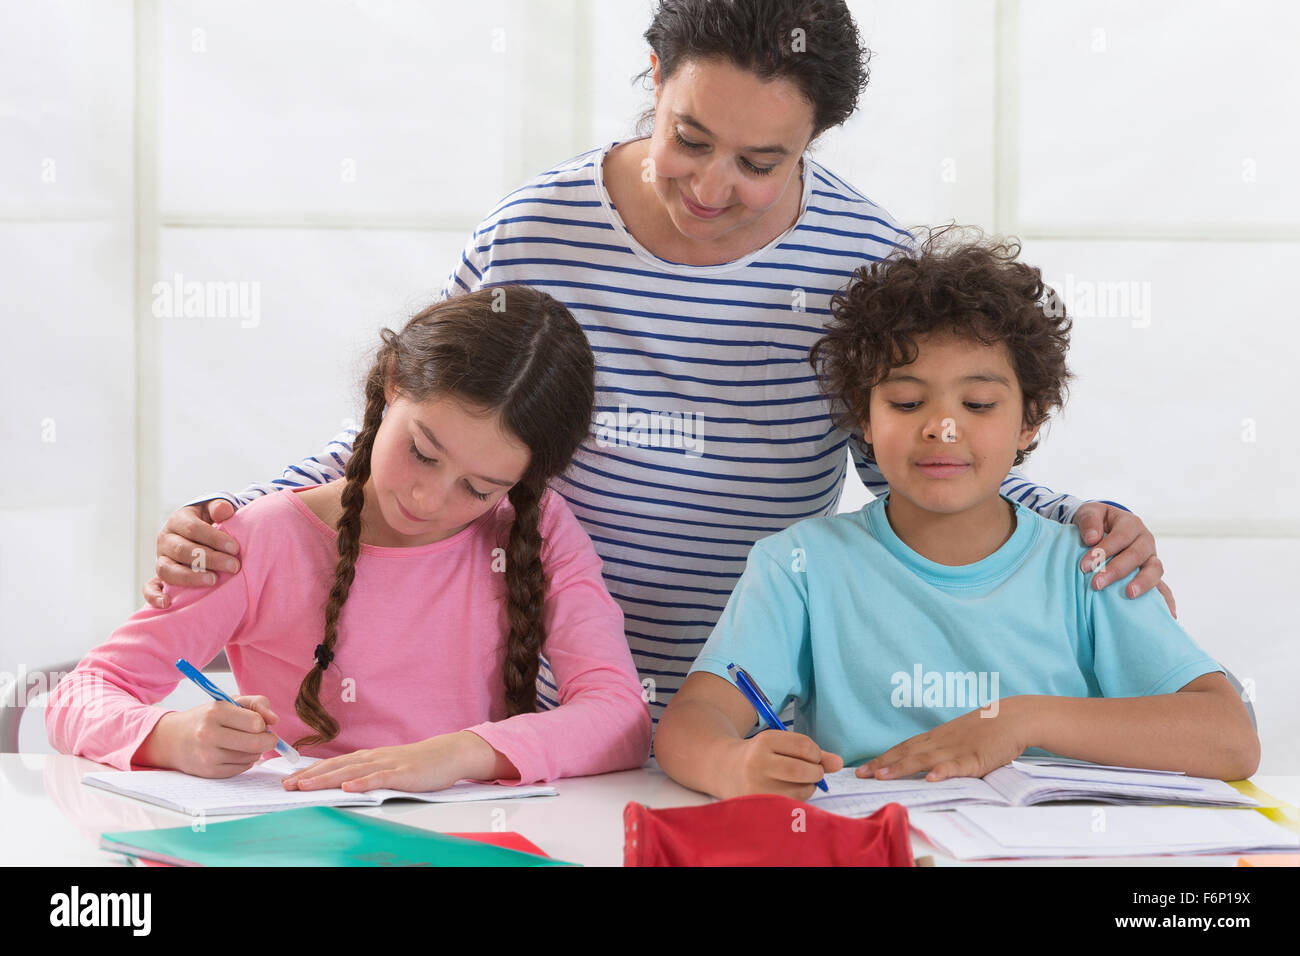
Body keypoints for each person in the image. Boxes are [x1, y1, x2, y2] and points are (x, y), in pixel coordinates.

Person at [141, 0, 1174, 723]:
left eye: (760, 162)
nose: (713, 186)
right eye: (690, 137)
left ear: (815, 139)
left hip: (749, 696)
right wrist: (238, 511)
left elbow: (909, 457)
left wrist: (1071, 520)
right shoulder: (533, 231)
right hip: (528, 688)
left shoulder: (861, 259)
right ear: (653, 81)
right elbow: (428, 418)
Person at [653, 229, 1259, 799]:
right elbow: (690, 723)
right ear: (864, 417)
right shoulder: (800, 566)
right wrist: (734, 764)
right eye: (907, 400)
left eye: (977, 402)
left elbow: (1229, 737)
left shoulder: (1091, 565)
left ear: (1030, 420)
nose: (942, 427)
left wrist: (1021, 720)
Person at [47, 287, 652, 791]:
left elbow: (621, 718)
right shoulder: (261, 539)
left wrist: (458, 754)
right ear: (391, 385)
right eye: (421, 452)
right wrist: (173, 737)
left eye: (479, 488)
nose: (428, 500)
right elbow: (81, 695)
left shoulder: (539, 528)